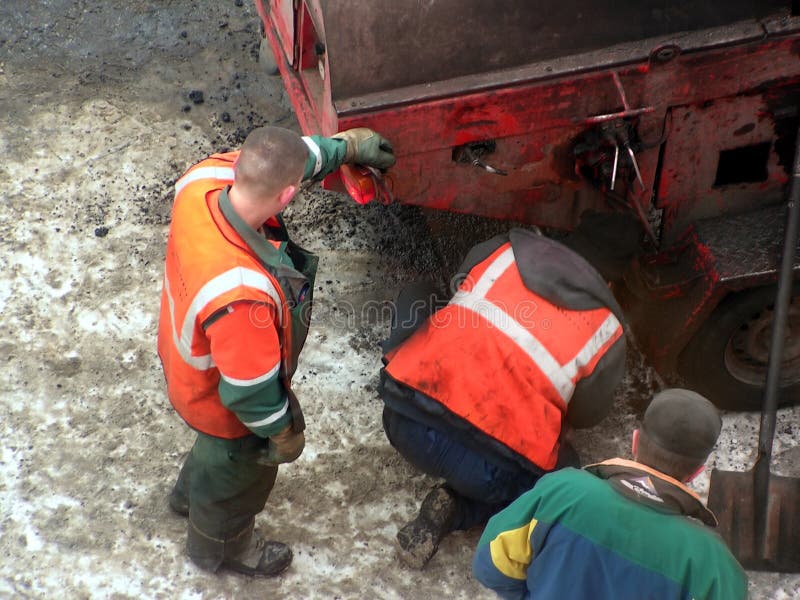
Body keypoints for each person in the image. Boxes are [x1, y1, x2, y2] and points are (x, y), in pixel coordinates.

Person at [157, 126, 394, 577]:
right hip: (221, 400)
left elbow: (282, 157)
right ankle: (221, 549)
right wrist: (283, 432)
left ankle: (187, 497)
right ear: (288, 194)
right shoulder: (242, 294)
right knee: (240, 468)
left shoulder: (203, 179)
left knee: (213, 454)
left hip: (184, 360)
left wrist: (343, 149)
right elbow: (249, 393)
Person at [379, 228, 627, 568]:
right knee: (564, 470)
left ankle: (399, 372)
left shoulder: (500, 252)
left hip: (404, 422)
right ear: (610, 284)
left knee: (420, 294)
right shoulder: (607, 330)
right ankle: (457, 506)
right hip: (487, 473)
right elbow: (587, 415)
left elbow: (458, 286)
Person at [473, 388, 748, 600]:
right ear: (697, 472)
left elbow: (491, 563)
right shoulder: (714, 566)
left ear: (635, 441)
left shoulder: (562, 493)